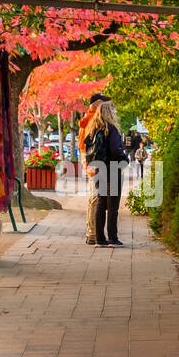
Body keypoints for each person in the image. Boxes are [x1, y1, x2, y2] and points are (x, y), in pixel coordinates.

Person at [83, 100, 128, 248]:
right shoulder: (112, 129)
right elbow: (116, 150)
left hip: (98, 169)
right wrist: (124, 159)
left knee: (101, 203)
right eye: (114, 111)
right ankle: (113, 239)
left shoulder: (94, 129)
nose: (116, 113)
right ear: (110, 112)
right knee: (113, 205)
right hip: (113, 168)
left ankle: (100, 240)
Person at [80, 93, 110, 245]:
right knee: (95, 198)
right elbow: (90, 148)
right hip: (95, 164)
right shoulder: (92, 121)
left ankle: (91, 232)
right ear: (98, 104)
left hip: (93, 164)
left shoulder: (89, 119)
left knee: (95, 197)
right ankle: (92, 234)